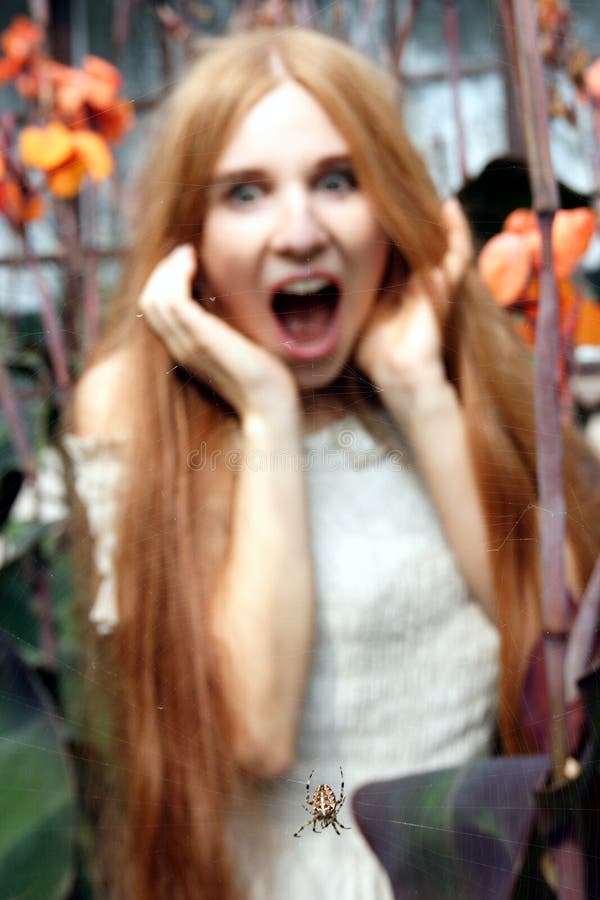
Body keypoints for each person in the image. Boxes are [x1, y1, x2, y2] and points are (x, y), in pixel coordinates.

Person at [62, 26, 600, 900]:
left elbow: (562, 657)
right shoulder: (139, 402)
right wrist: (267, 410)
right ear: (189, 234)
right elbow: (259, 735)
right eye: (246, 193)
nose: (301, 231)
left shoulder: (436, 360)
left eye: (338, 181)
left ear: (389, 201)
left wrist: (421, 389)